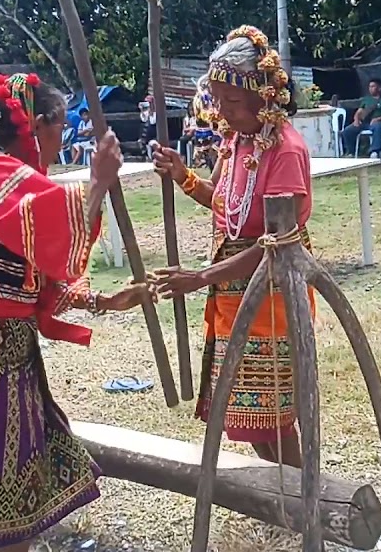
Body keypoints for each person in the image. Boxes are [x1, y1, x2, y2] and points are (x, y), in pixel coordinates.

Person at [0, 73, 147, 552]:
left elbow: (33, 278)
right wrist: (98, 183)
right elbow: (55, 237)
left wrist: (102, 301)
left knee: (9, 484)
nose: (61, 138)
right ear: (38, 124)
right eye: (59, 126)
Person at [150, 25, 311, 467]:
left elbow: (276, 246)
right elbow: (224, 203)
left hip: (273, 296)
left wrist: (200, 277)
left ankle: (299, 495)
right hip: (231, 295)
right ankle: (280, 494)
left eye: (233, 102)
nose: (222, 110)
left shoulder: (285, 151)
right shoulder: (236, 141)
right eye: (217, 99)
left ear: (264, 96)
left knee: (273, 417)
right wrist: (182, 175)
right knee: (247, 414)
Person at [341, 78, 381, 157]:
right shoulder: (366, 99)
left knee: (378, 127)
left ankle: (374, 151)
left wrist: (377, 119)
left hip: (378, 122)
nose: (370, 89)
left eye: (373, 86)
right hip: (364, 122)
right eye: (369, 87)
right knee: (348, 130)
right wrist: (356, 120)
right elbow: (359, 112)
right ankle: (350, 152)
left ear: (379, 88)